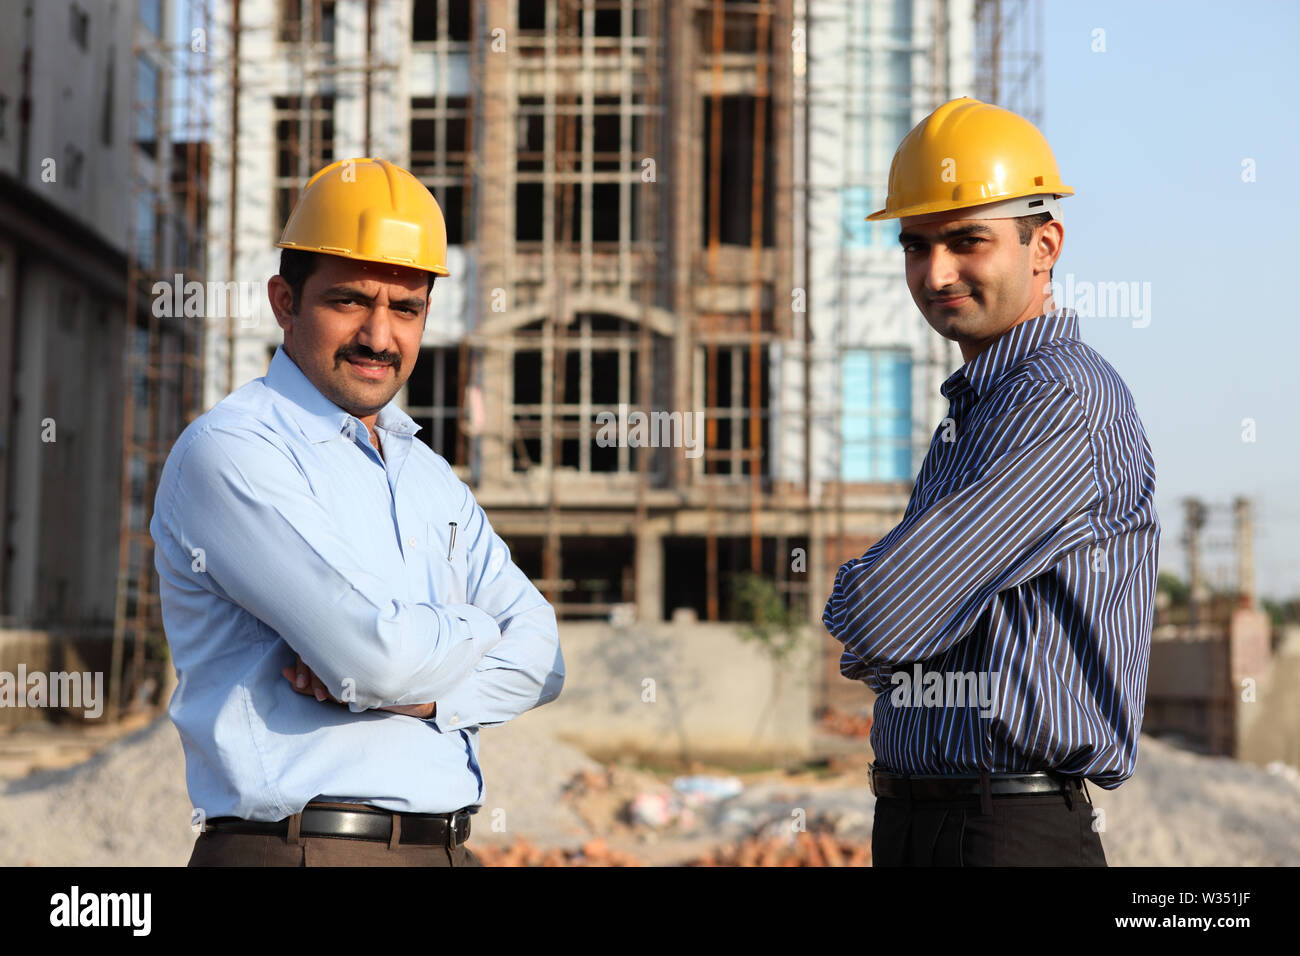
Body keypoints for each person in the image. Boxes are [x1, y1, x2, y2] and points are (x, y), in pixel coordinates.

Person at [151, 157, 564, 866]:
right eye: (349, 301)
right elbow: (369, 657)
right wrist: (472, 627)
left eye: (405, 309)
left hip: (448, 849)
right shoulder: (231, 453)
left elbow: (544, 660)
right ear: (285, 302)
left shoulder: (429, 476)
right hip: (306, 851)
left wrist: (420, 695)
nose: (380, 336)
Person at [822, 98, 1159, 866]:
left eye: (966, 241)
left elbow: (879, 618)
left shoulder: (1062, 399)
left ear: (1044, 246)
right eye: (916, 245)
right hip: (930, 822)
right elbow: (901, 621)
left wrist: (867, 602)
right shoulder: (977, 409)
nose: (935, 273)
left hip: (1005, 831)